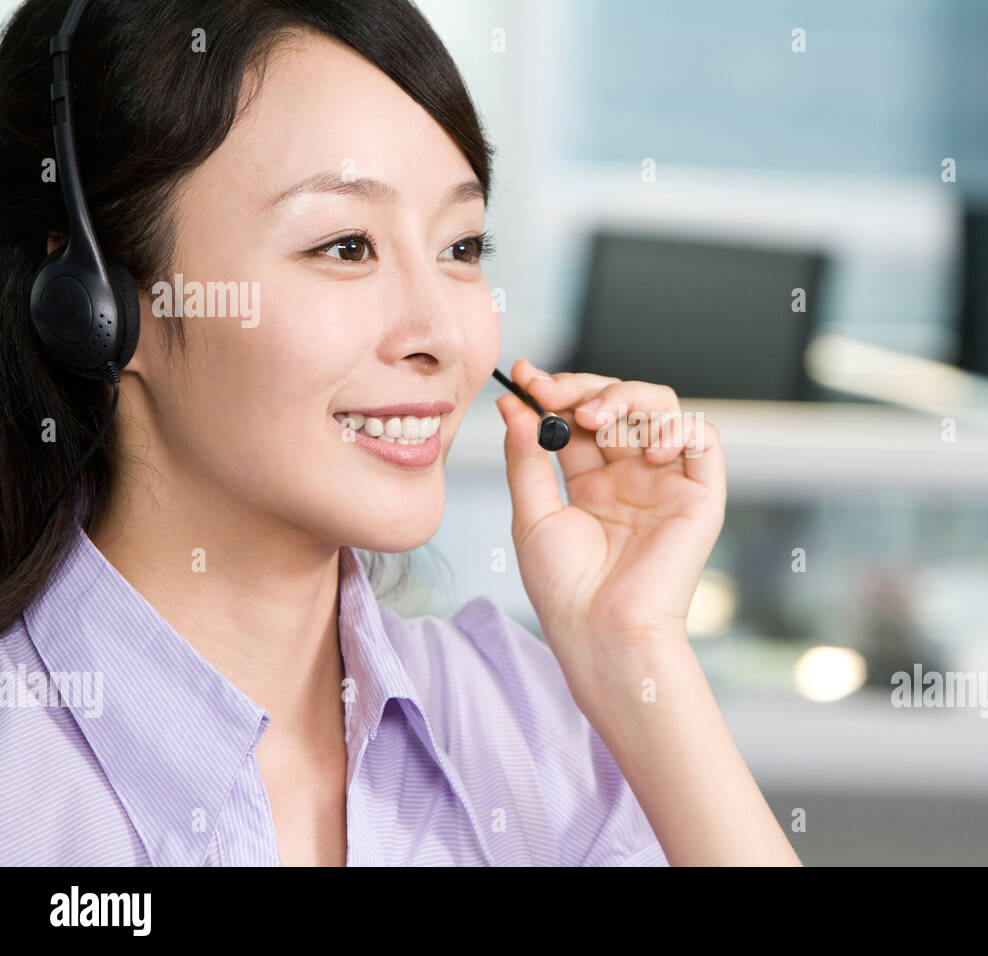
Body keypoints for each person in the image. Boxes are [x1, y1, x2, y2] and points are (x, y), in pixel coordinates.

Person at [0, 0, 801, 866]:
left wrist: (634, 655)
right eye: (346, 246)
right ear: (100, 306)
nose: (446, 336)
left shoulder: (528, 723)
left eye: (460, 246)